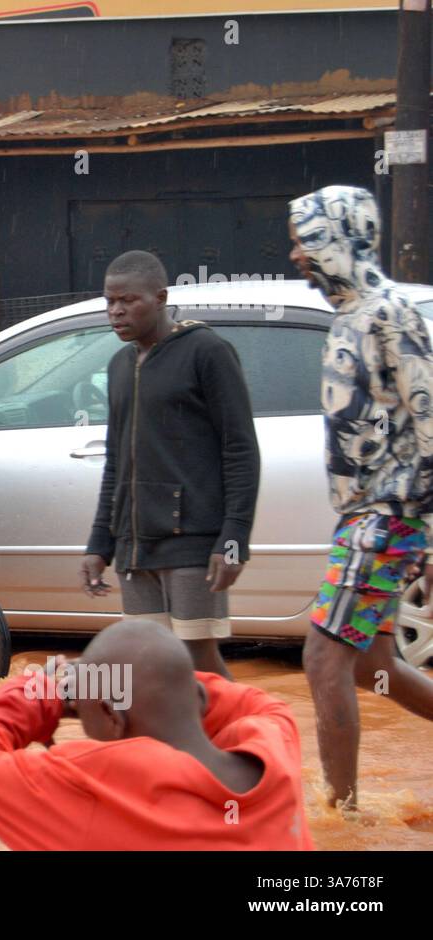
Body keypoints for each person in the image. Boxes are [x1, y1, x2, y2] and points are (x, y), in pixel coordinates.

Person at [289, 185, 433, 812]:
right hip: (363, 517)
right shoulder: (347, 316)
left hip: (390, 514)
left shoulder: (390, 312)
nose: (296, 254)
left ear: (344, 239)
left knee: (322, 657)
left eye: (308, 239)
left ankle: (338, 816)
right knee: (370, 666)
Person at [0, 618, 312, 850]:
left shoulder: (102, 783)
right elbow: (251, 701)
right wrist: (154, 681)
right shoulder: (277, 743)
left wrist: (42, 695)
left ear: (110, 714)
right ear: (198, 696)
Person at [79, 250, 259, 679]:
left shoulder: (207, 352)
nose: (117, 310)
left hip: (194, 543)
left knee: (198, 664)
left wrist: (233, 540)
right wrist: (99, 544)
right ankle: (168, 749)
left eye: (129, 300)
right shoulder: (119, 366)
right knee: (149, 667)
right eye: (110, 301)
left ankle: (250, 740)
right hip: (134, 546)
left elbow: (241, 450)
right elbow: (116, 464)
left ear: (160, 298)